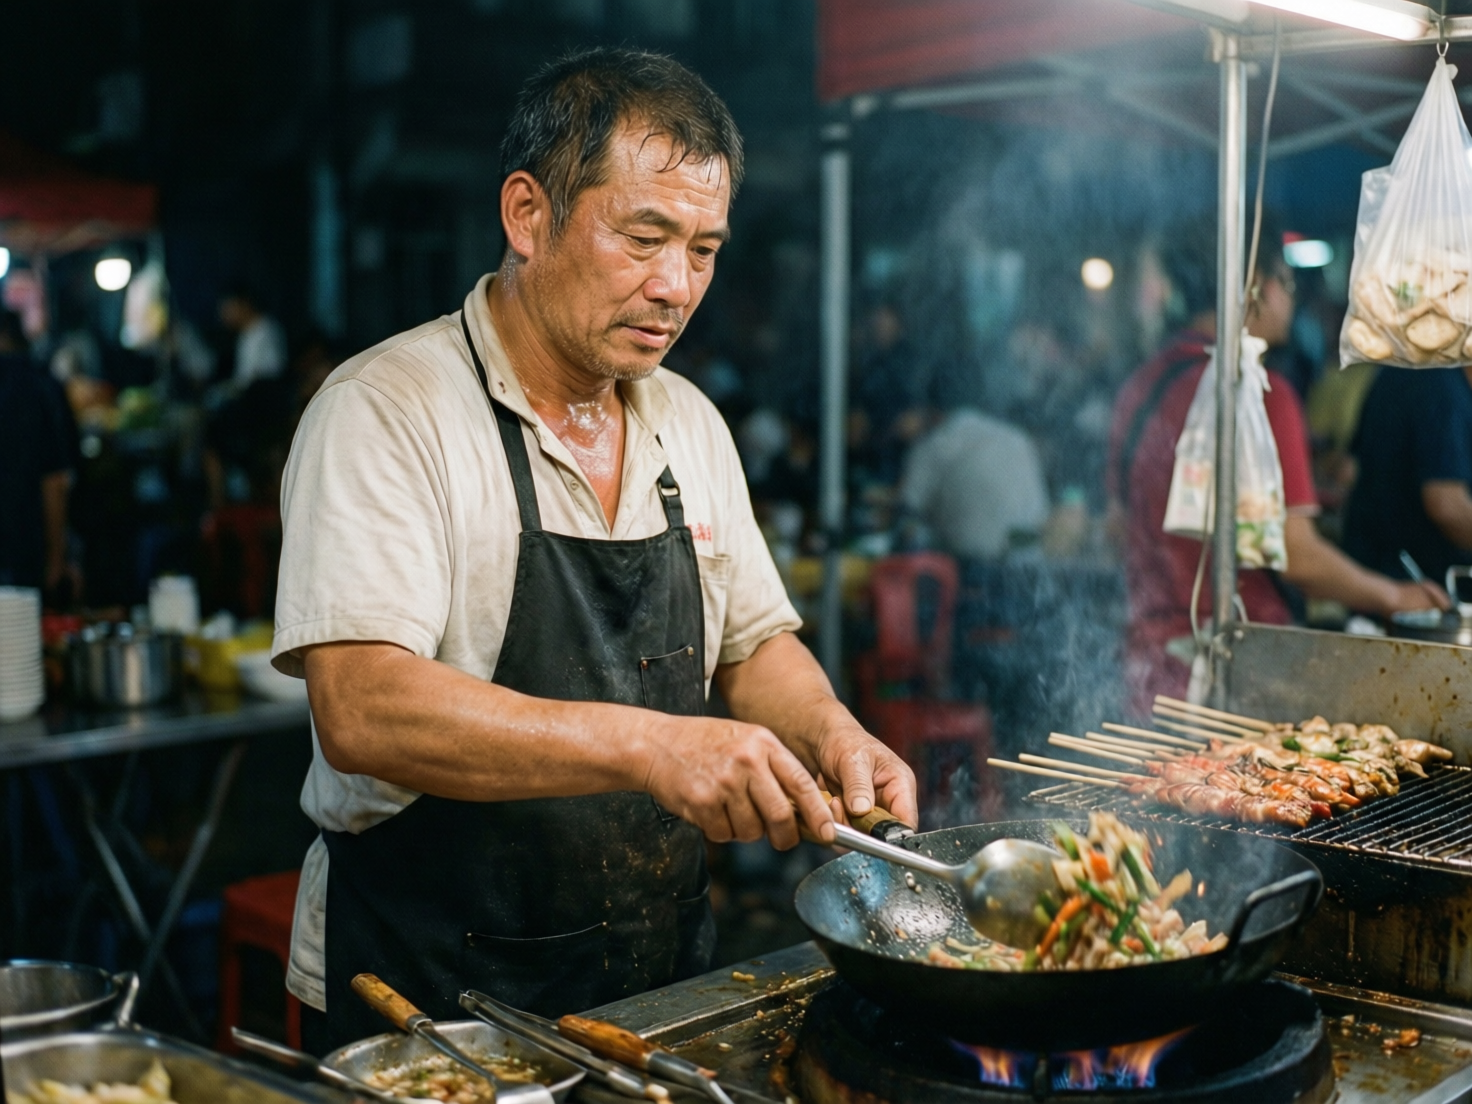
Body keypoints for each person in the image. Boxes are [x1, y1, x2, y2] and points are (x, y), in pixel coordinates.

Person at [273, 48, 916, 1051]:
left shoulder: (687, 422)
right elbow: (360, 707)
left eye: (703, 249)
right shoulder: (387, 410)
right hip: (431, 1000)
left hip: (656, 987)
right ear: (527, 215)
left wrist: (831, 730)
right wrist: (653, 745)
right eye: (643, 235)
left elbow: (750, 644)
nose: (675, 286)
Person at [1107, 219, 1439, 718]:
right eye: (1285, 282)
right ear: (1254, 287)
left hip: (1145, 666)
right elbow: (1296, 555)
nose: (1291, 298)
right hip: (1234, 673)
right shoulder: (1257, 391)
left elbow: (1116, 525)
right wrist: (1395, 595)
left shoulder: (1140, 385)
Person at [1342, 365, 1472, 588]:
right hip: (1410, 587)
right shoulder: (1440, 386)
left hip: (1375, 576)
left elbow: (1348, 469)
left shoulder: (1404, 369)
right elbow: (1446, 504)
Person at [898, 378, 1050, 560]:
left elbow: (907, 511)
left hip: (969, 566)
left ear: (932, 411)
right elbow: (1040, 519)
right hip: (1027, 564)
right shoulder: (1018, 439)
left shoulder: (934, 444)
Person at [0, 310, 78, 601]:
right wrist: (58, 557)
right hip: (29, 542)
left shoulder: (36, 386)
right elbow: (57, 478)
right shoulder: (43, 385)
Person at [218, 286, 287, 390]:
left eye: (229, 309)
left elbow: (272, 374)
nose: (224, 316)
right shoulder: (244, 334)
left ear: (244, 305)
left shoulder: (267, 330)